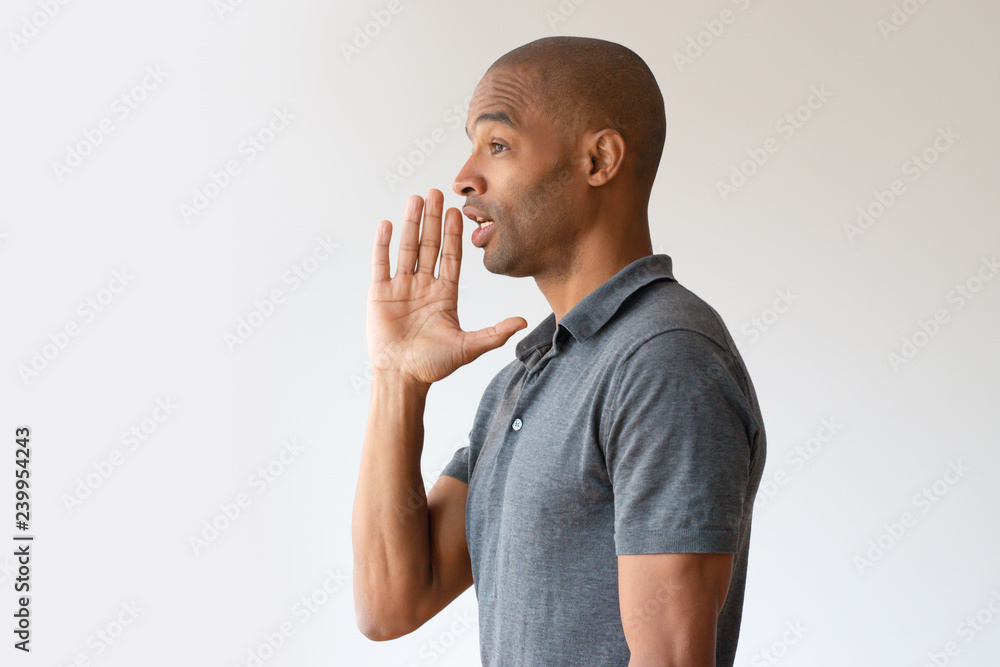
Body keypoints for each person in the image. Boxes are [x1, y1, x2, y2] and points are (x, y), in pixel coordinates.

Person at [352, 36, 766, 666]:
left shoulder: (664, 360)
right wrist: (396, 381)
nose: (464, 178)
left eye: (497, 145)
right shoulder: (527, 378)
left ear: (599, 160)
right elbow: (390, 604)